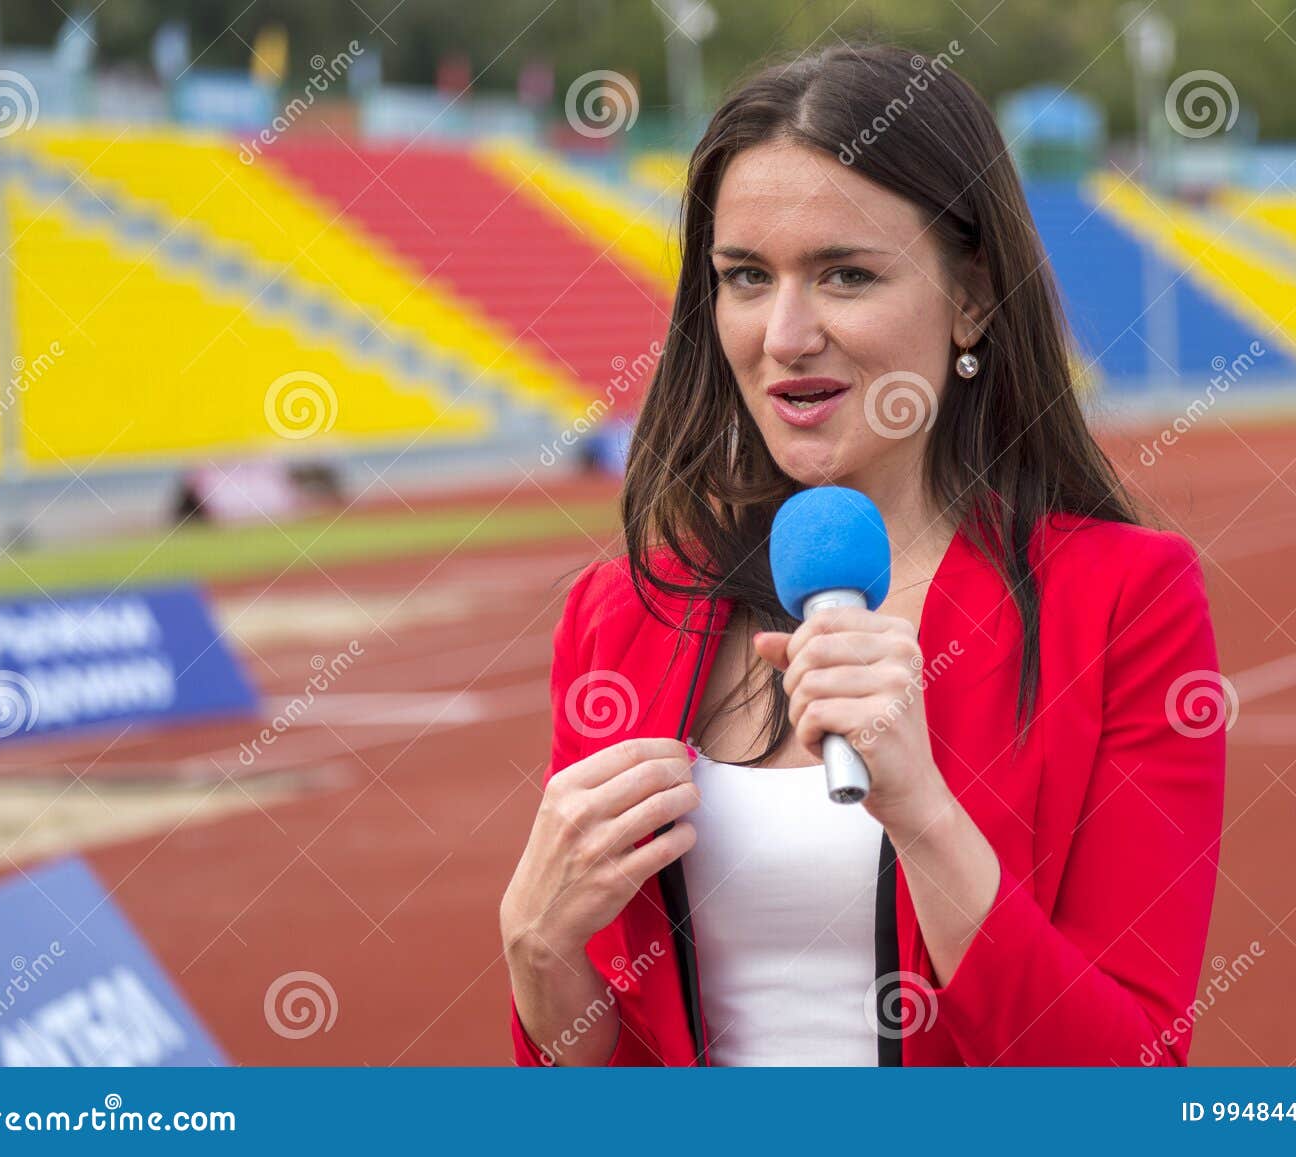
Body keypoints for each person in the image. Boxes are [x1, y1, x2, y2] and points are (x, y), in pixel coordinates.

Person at [499, 43, 1225, 1066]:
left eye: (845, 273)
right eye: (746, 277)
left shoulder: (1123, 602)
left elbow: (1127, 1075)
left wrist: (923, 814)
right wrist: (537, 950)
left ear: (971, 295)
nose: (785, 333)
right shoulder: (620, 612)